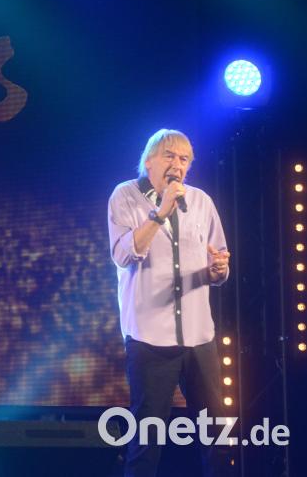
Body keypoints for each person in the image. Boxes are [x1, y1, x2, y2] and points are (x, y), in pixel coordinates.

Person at [107, 129, 232, 477]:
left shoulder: (202, 201)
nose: (177, 165)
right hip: (149, 338)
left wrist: (219, 269)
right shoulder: (125, 196)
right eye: (169, 156)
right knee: (147, 440)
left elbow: (218, 264)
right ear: (148, 161)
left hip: (199, 337)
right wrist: (160, 212)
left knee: (217, 436)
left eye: (184, 159)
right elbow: (122, 255)